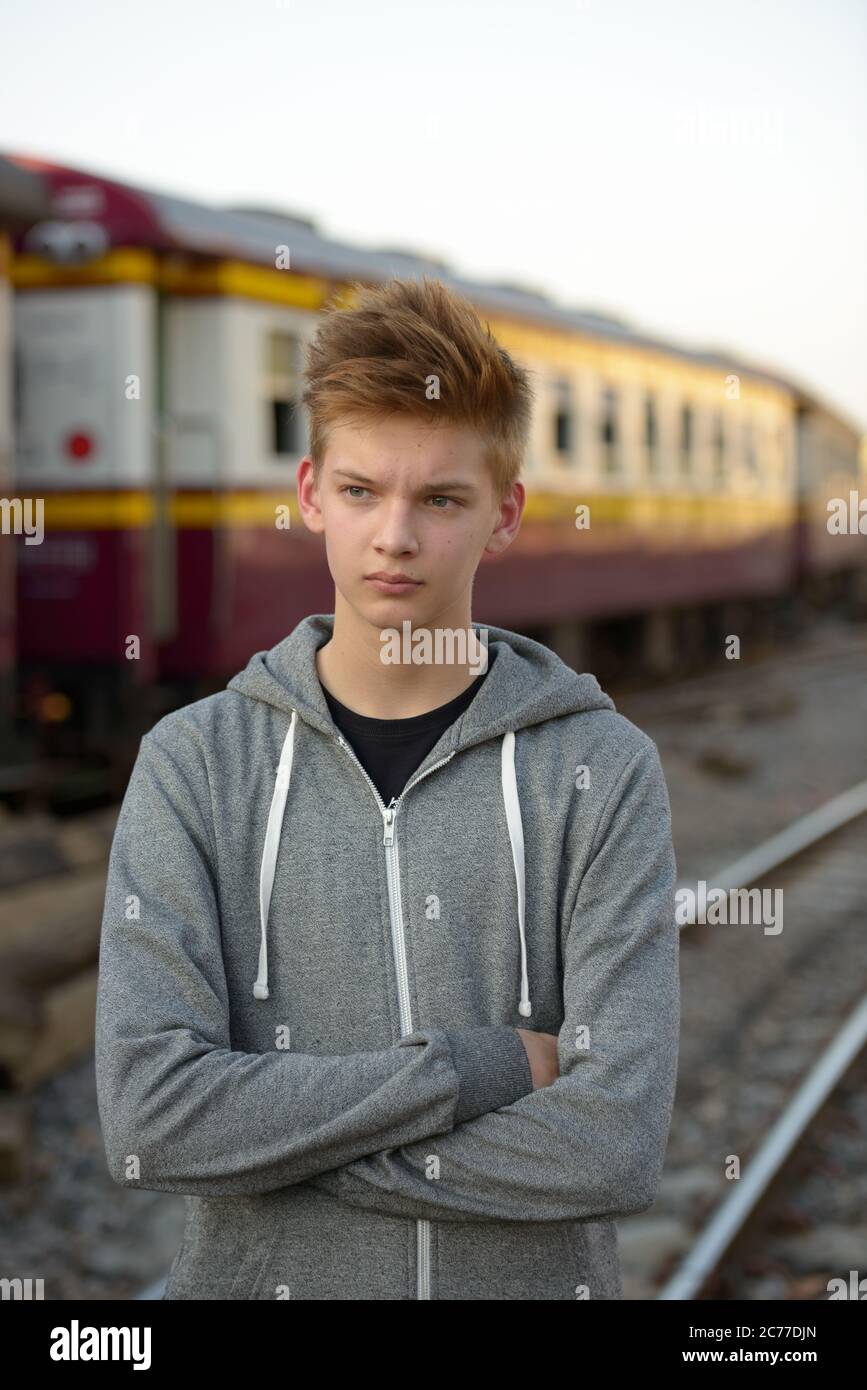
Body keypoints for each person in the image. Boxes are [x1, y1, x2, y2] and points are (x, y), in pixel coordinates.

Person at [95, 275, 680, 1300]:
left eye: (441, 499)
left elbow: (614, 1143)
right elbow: (152, 1119)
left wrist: (282, 1153)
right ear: (312, 492)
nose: (395, 537)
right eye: (363, 492)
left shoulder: (601, 769)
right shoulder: (194, 765)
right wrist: (479, 1070)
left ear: (505, 516)